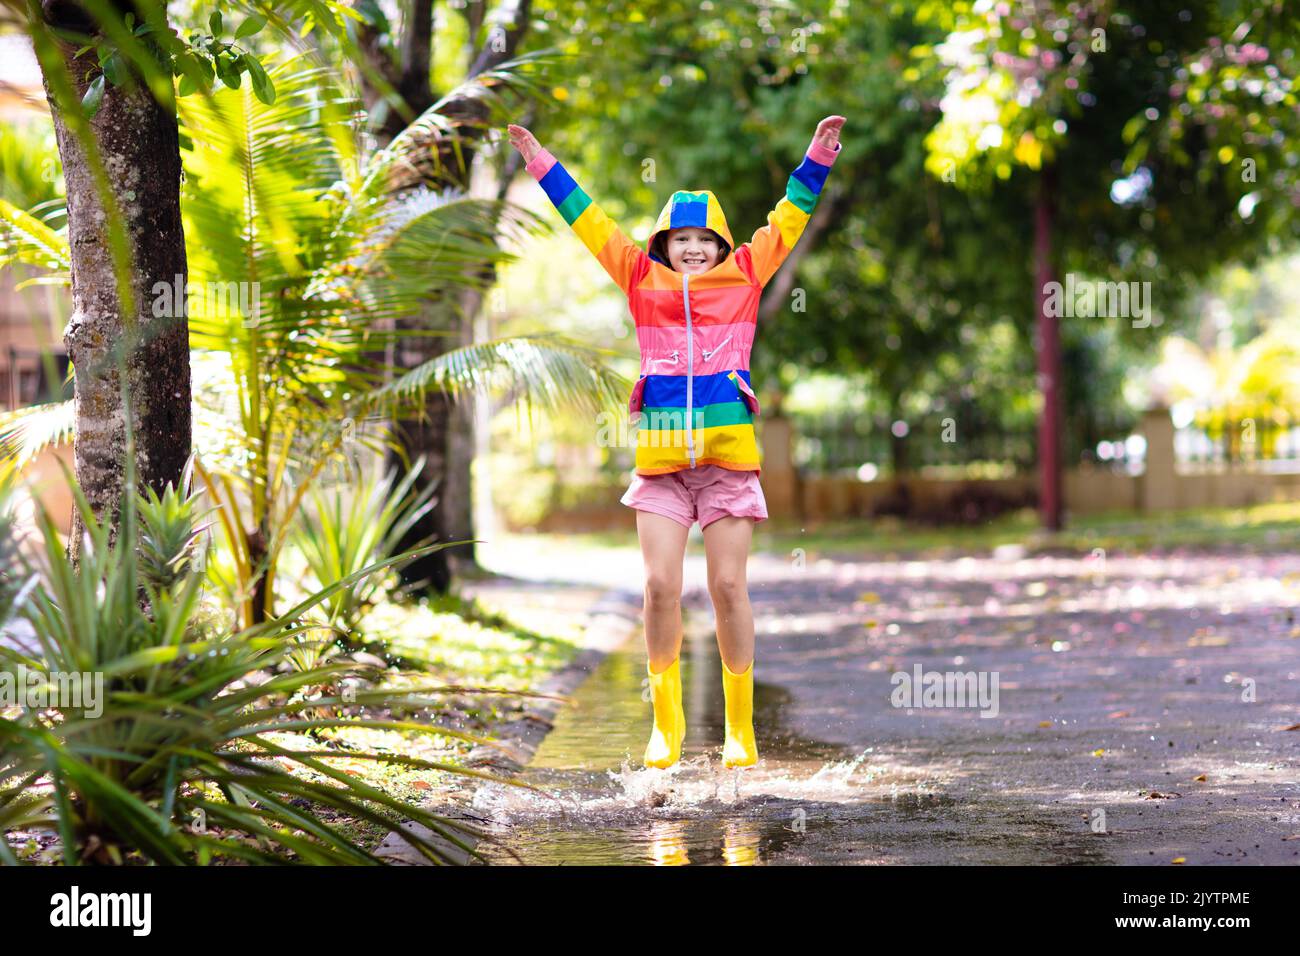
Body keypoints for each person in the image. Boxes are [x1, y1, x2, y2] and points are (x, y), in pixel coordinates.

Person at [507, 116, 844, 769]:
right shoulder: (640, 279)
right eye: (680, 239)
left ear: (720, 245)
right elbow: (591, 222)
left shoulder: (745, 277)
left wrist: (818, 158)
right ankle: (666, 723)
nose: (692, 249)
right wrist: (540, 161)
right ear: (665, 244)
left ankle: (739, 730)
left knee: (726, 587)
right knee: (659, 586)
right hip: (662, 468)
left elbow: (789, 218)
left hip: (726, 467)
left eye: (703, 239)